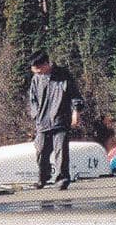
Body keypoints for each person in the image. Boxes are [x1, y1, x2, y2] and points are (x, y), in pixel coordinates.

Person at [29, 49, 82, 190]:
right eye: (34, 71)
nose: (37, 73)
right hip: (42, 122)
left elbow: (74, 94)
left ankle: (62, 180)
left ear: (47, 64)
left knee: (61, 152)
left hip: (60, 119)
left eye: (38, 69)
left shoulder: (63, 75)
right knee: (40, 151)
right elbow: (32, 100)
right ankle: (43, 177)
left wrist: (76, 111)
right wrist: (36, 115)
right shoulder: (36, 79)